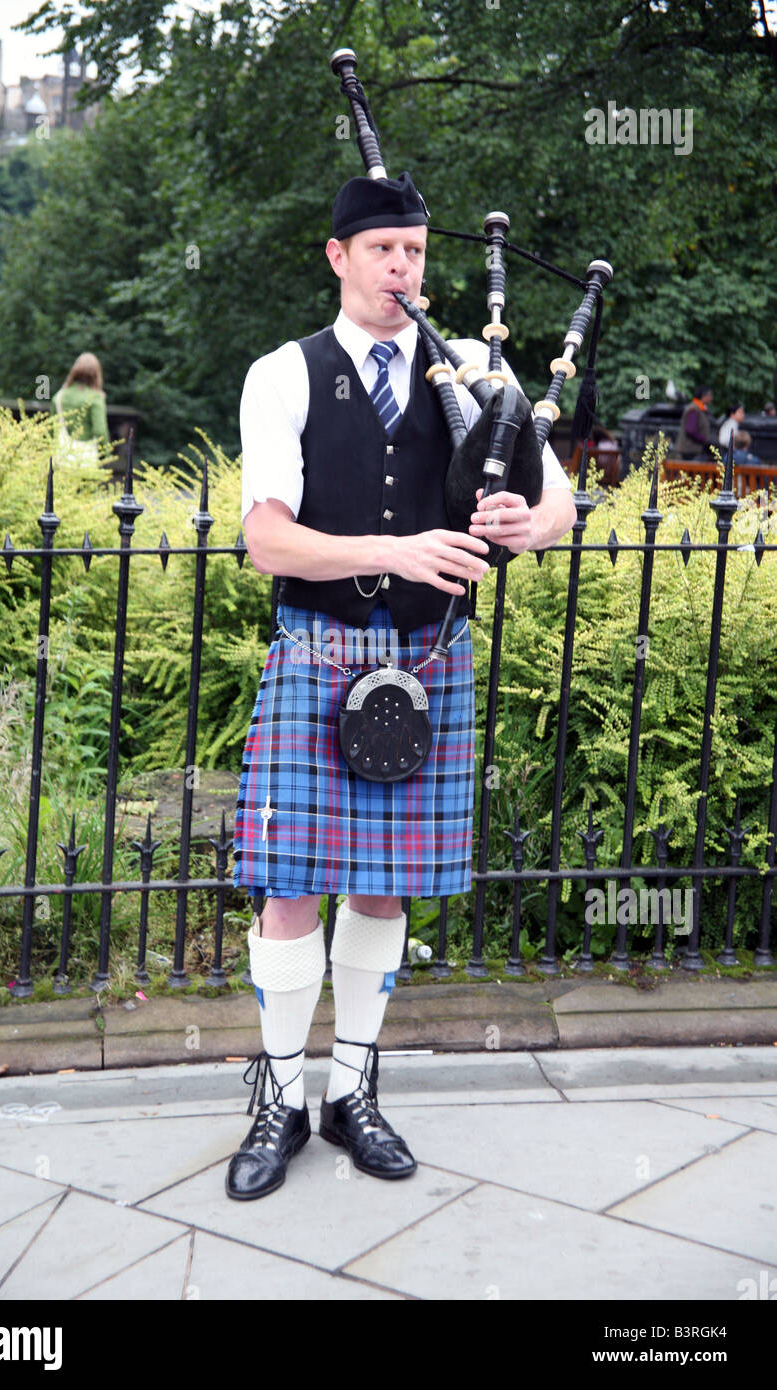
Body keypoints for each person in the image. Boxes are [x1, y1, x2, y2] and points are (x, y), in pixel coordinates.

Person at [225, 170, 577, 1201]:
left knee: (381, 886)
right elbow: (264, 540)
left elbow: (558, 504)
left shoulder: (472, 370)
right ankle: (279, 1099)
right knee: (288, 888)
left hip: (426, 659)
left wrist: (522, 523)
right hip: (319, 648)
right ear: (338, 258)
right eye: (382, 250)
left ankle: (351, 1092)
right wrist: (392, 545)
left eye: (416, 251)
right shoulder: (281, 375)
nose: (401, 268)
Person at [51, 352, 109, 457]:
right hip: (86, 455)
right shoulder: (95, 397)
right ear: (96, 375)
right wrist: (106, 455)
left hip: (62, 456)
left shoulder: (59, 396)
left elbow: (52, 430)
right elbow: (100, 430)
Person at [674, 387, 716, 459]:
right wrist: (705, 440)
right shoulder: (693, 409)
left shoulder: (700, 409)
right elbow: (690, 430)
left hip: (693, 451)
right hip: (689, 452)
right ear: (703, 396)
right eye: (710, 396)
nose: (711, 398)